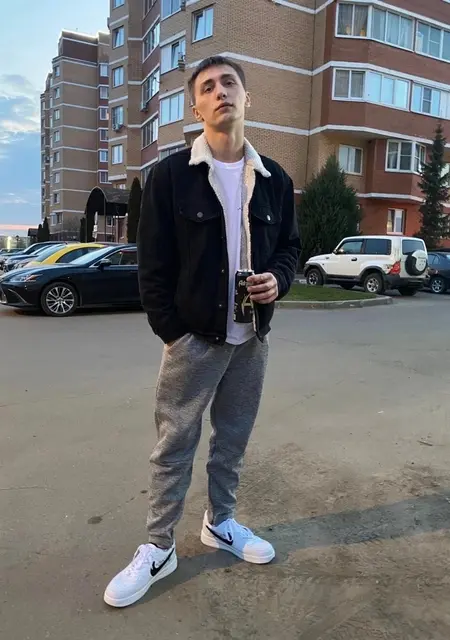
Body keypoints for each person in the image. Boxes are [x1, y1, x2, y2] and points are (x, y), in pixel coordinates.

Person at [104, 56, 300, 608]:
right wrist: (172, 331)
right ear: (196, 108)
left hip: (252, 339)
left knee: (231, 440)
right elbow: (152, 265)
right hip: (194, 339)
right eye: (208, 87)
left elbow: (289, 247)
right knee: (174, 444)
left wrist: (279, 280)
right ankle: (158, 547)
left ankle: (221, 522)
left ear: (246, 97)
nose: (220, 92)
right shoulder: (171, 177)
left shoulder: (274, 179)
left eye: (229, 83)